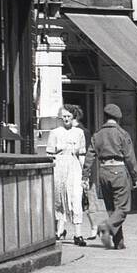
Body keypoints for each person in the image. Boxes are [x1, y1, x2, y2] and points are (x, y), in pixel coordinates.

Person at [86, 102, 137, 250]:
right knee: (122, 208)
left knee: (111, 208)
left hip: (103, 171)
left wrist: (85, 175)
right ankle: (106, 227)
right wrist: (135, 177)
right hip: (118, 170)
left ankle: (119, 242)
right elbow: (129, 157)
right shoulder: (122, 134)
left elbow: (89, 156)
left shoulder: (97, 135)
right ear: (118, 118)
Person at [46, 104, 88, 246]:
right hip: (59, 166)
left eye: (69, 116)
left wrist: (84, 174)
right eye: (63, 116)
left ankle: (78, 233)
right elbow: (49, 153)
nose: (66, 118)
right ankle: (60, 230)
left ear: (73, 116)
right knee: (59, 198)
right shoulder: (55, 132)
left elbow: (82, 153)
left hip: (74, 167)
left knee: (76, 197)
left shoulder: (79, 133)